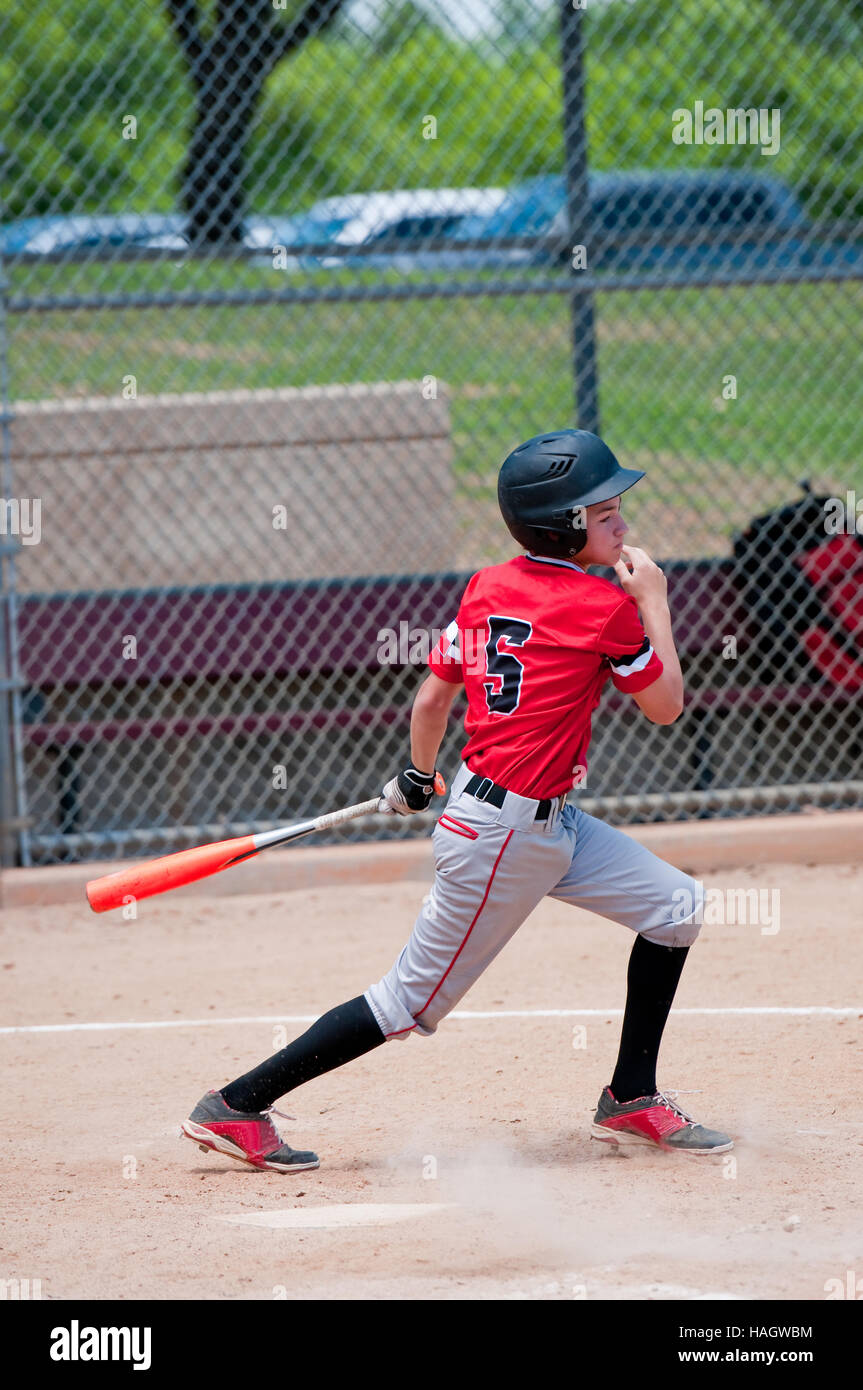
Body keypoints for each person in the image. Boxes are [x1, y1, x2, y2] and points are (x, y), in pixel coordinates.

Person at [181, 429, 732, 1172]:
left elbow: (433, 696)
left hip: (535, 820)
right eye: (605, 515)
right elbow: (665, 706)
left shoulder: (486, 586)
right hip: (503, 836)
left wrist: (417, 774)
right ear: (565, 526)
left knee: (674, 909)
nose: (622, 525)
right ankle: (238, 1106)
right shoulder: (604, 608)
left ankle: (630, 1097)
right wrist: (655, 600)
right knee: (406, 1004)